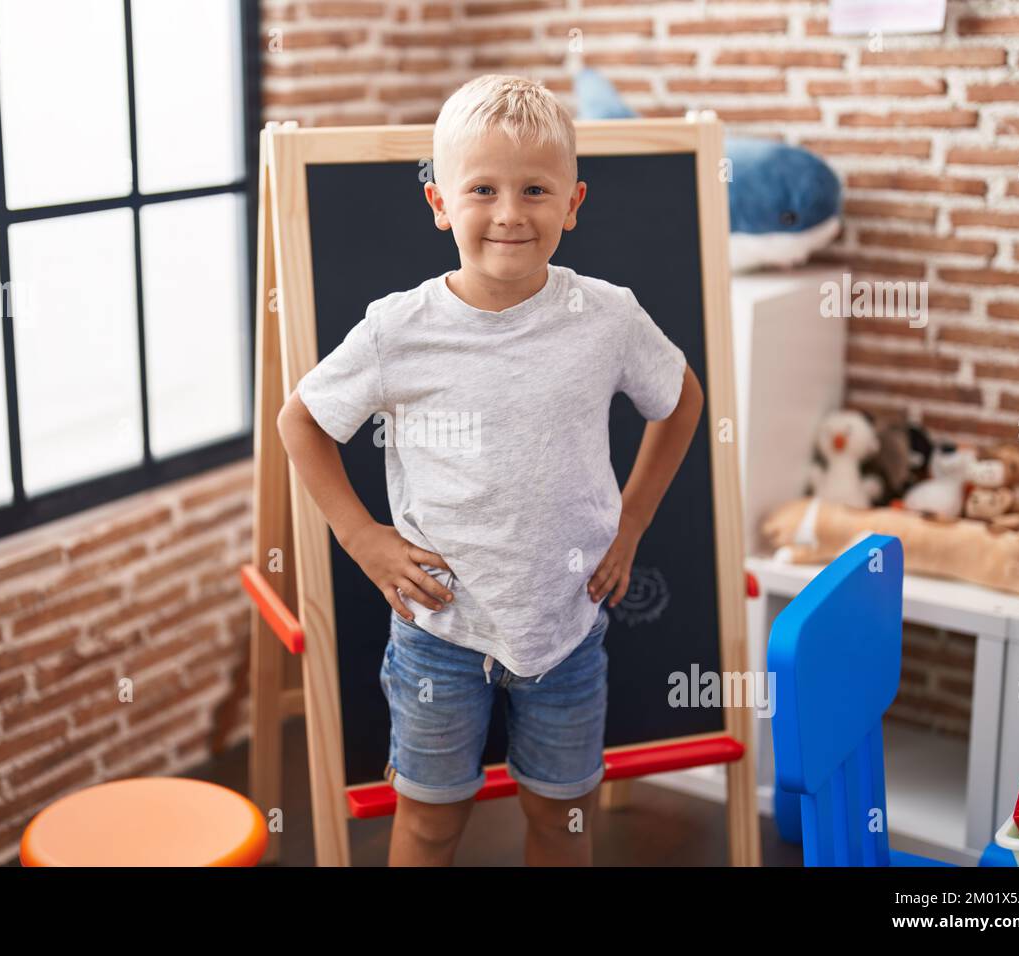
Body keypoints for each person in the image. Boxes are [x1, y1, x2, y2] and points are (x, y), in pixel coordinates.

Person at [276, 73, 703, 866]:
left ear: (572, 204)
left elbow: (680, 400)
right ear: (440, 203)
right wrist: (362, 537)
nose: (510, 213)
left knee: (562, 821)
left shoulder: (606, 317)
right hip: (438, 632)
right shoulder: (395, 330)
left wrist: (634, 519)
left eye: (535, 189)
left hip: (567, 627)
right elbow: (299, 419)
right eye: (483, 189)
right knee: (431, 824)